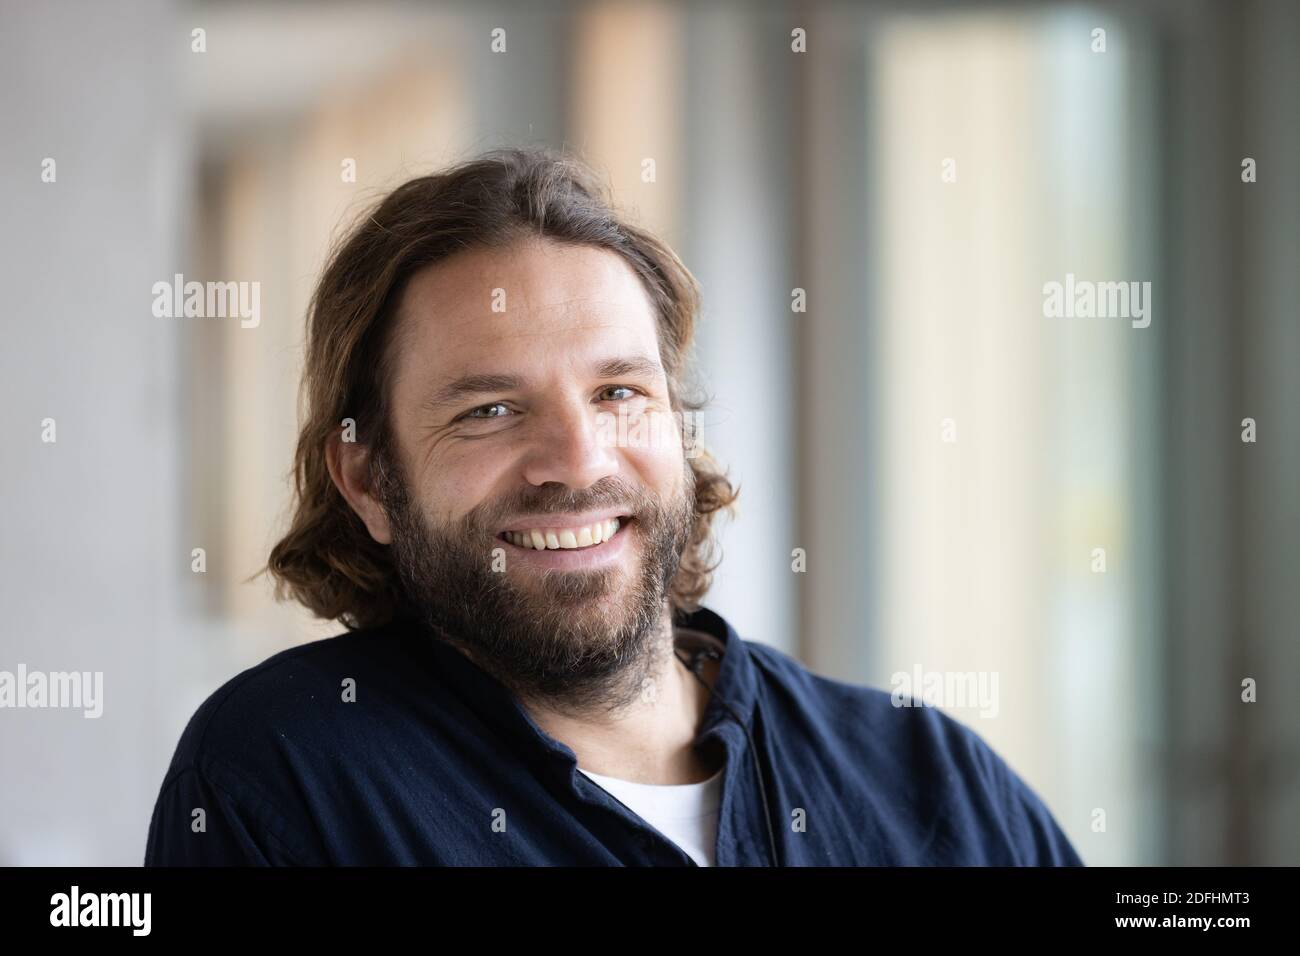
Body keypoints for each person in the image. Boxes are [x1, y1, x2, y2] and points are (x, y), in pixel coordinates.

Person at [144, 146, 1083, 866]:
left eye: (619, 393)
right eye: (490, 410)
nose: (575, 461)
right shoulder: (283, 778)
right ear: (368, 482)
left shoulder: (930, 785)